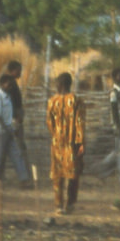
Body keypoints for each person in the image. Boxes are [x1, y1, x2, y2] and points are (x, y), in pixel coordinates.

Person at [46, 72, 86, 215]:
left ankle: (58, 205)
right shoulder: (76, 100)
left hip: (57, 143)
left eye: (57, 83)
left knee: (58, 174)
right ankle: (70, 203)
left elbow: (49, 122)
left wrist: (56, 134)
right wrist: (80, 142)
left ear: (61, 84)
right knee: (73, 174)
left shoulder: (52, 101)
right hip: (72, 143)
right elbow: (80, 122)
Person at [0, 73, 31, 189]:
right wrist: (6, 128)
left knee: (16, 155)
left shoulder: (8, 97)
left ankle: (24, 180)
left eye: (11, 85)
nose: (10, 86)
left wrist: (12, 128)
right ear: (1, 84)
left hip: (9, 130)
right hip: (1, 131)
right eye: (8, 84)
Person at [100, 68, 120, 186]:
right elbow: (114, 112)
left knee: (118, 151)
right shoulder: (114, 92)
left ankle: (100, 170)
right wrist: (119, 127)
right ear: (114, 78)